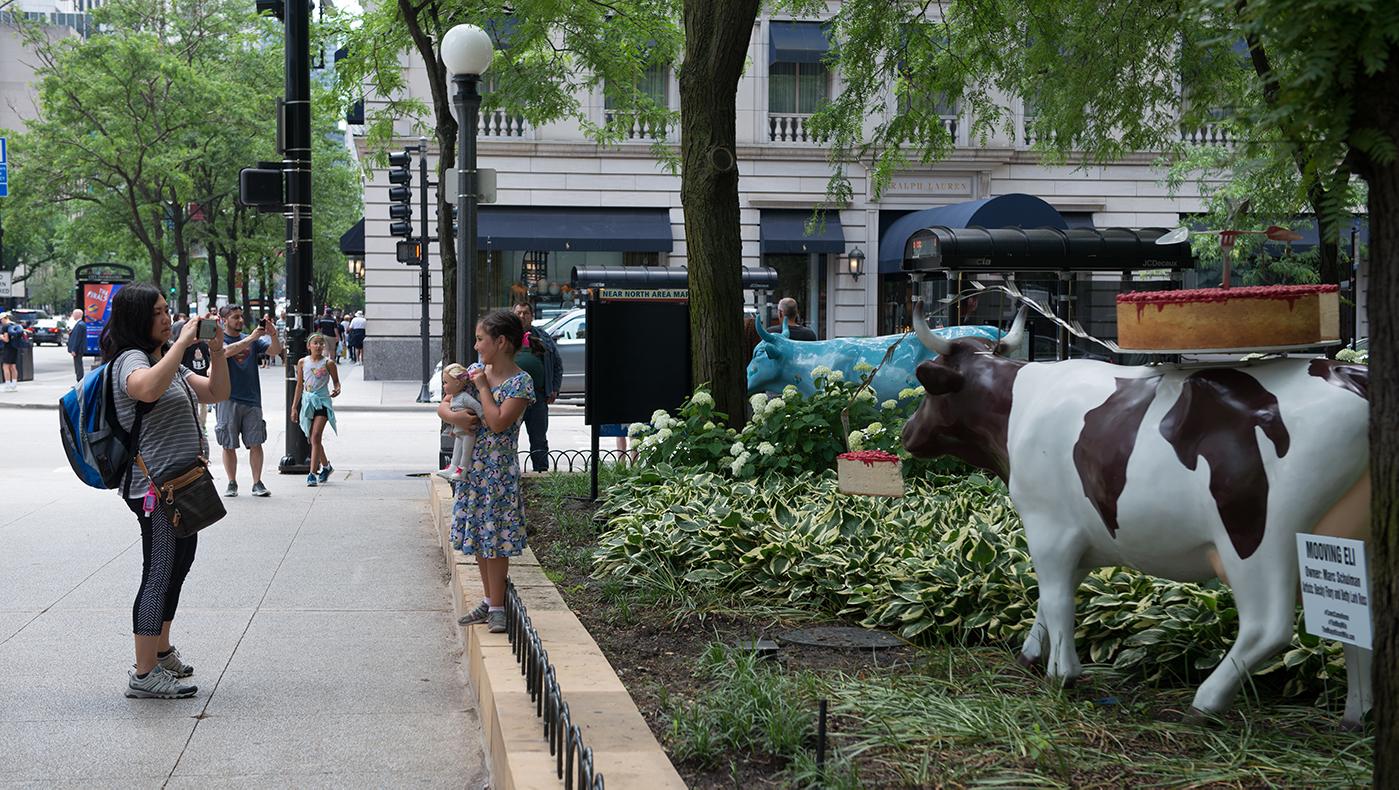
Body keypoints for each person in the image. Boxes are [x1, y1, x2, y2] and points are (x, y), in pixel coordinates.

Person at [102, 284, 229, 699]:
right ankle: (142, 674)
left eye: (165, 310)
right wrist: (179, 344)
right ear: (138, 317)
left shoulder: (163, 360)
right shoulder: (130, 361)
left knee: (178, 564)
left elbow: (216, 392)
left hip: (182, 485)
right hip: (154, 490)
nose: (165, 317)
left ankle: (160, 650)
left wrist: (215, 350)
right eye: (157, 312)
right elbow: (146, 389)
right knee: (159, 571)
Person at [439, 310, 535, 633]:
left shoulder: (520, 383)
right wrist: (456, 419)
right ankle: (489, 600)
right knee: (481, 536)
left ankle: (497, 606)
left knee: (497, 539)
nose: (477, 346)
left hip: (498, 474)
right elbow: (445, 402)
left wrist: (481, 386)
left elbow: (496, 422)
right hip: (474, 471)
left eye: (481, 339)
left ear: (502, 342)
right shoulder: (476, 371)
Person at [217, 304, 282, 497]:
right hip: (226, 397)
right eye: (235, 317)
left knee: (256, 442)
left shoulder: (251, 339)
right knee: (228, 443)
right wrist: (253, 337)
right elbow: (224, 353)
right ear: (224, 320)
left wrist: (273, 335)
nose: (240, 320)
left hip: (252, 398)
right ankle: (231, 482)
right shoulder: (218, 340)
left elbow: (274, 351)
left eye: (241, 316)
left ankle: (257, 482)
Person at [512, 301, 562, 473]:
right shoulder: (507, 338)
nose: (522, 316)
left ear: (531, 316)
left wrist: (554, 388)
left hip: (539, 397)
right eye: (518, 313)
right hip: (513, 398)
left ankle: (541, 472)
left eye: (525, 313)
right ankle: (510, 472)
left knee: (539, 438)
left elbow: (557, 364)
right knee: (509, 438)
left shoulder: (543, 337)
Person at [291, 333, 341, 487]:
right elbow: (299, 385)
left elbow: (337, 383)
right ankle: (326, 466)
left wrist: (337, 390)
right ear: (309, 346)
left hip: (322, 402)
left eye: (321, 343)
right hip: (307, 403)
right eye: (315, 343)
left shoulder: (329, 363)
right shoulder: (302, 362)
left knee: (316, 435)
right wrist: (294, 407)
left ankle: (312, 473)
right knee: (312, 439)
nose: (319, 346)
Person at [437, 363, 483, 481]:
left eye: (445, 383)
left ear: (457, 383)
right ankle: (453, 467)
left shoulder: (464, 397)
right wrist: (454, 420)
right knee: (457, 450)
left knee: (465, 452)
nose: (443, 386)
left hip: (468, 432)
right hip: (459, 431)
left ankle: (462, 469)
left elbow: (477, 406)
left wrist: (483, 418)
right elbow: (444, 407)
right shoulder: (454, 397)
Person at [0, 313, 27, 392]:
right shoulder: (14, 325)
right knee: (13, 366)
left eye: (1, 320)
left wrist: (0, 336)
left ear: (4, 318)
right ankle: (14, 385)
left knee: (5, 367)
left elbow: (6, 339)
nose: (1, 322)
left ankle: (8, 385)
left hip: (7, 348)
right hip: (14, 348)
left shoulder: (5, 327)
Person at [68, 309, 88, 381]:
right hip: (79, 349)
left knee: (78, 366)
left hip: (78, 349)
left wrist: (74, 349)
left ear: (78, 315)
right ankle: (79, 380)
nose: (73, 315)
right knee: (78, 365)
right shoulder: (80, 324)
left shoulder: (80, 325)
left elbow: (77, 338)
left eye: (74, 314)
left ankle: (80, 380)